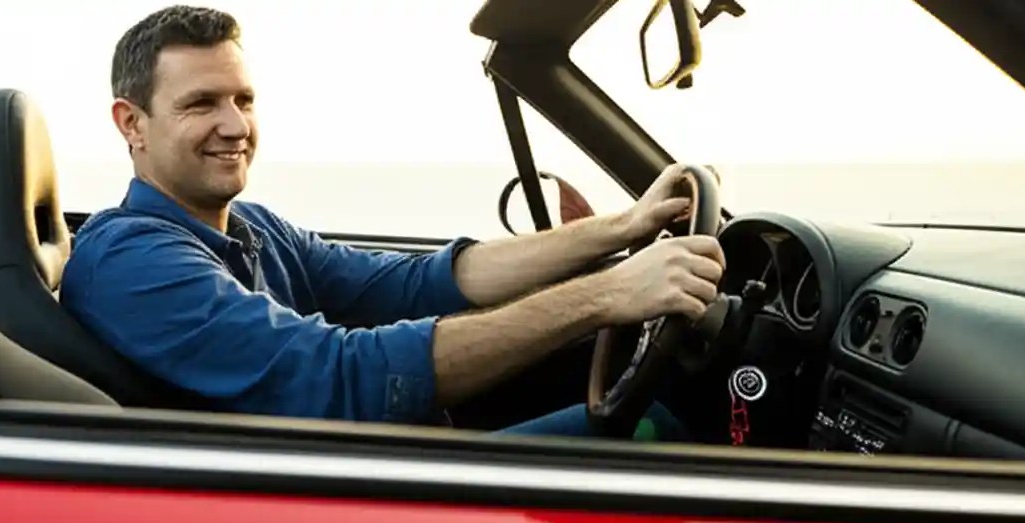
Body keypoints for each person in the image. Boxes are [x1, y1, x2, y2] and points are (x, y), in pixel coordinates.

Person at [60, 5, 725, 439]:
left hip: (378, 471)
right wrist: (609, 296)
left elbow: (419, 283)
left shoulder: (251, 228)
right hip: (326, 521)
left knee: (657, 414)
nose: (235, 126)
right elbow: (346, 377)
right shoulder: (130, 261)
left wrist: (623, 228)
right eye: (201, 103)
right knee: (669, 431)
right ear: (132, 123)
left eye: (244, 99)